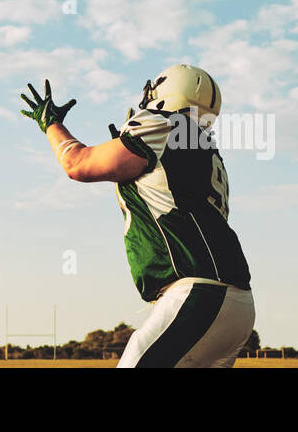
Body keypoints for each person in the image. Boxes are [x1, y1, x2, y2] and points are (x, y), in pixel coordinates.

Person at [19, 65, 255, 368]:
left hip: (198, 292)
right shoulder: (205, 150)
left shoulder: (162, 122)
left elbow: (77, 164)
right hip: (237, 304)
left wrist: (50, 122)